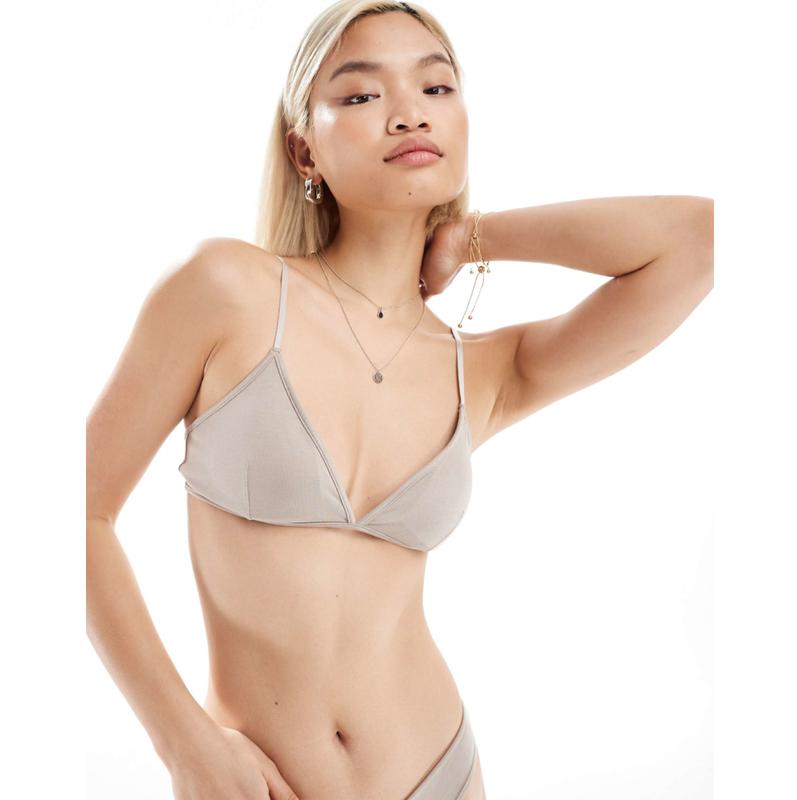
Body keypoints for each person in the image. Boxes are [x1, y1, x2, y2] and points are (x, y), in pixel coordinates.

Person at [85, 2, 713, 798]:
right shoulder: (228, 293)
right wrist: (183, 743)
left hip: (439, 773)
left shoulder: (482, 371)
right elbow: (74, 514)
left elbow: (700, 242)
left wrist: (474, 237)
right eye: (361, 94)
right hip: (253, 783)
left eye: (436, 87)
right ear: (304, 149)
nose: (410, 113)